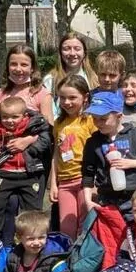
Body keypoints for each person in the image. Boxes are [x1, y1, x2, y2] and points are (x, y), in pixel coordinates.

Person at [0, 98, 52, 258]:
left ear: (24, 115)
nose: (9, 121)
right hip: (5, 173)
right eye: (5, 117)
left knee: (32, 209)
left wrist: (30, 146)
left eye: (14, 117)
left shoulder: (34, 126)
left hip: (28, 173)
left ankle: (35, 237)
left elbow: (46, 142)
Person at [81, 91, 136, 215]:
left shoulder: (135, 133)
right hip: (106, 199)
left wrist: (130, 163)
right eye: (94, 119)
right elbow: (87, 174)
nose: (98, 123)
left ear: (119, 116)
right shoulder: (93, 141)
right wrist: (87, 200)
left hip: (135, 198)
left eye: (103, 119)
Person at [49, 75, 96, 238]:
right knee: (66, 228)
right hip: (65, 182)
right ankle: (68, 253)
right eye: (62, 98)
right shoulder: (59, 123)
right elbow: (56, 153)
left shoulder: (91, 120)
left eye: (72, 98)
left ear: (85, 97)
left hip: (85, 180)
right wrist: (53, 184)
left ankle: (82, 254)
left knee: (85, 226)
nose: (67, 102)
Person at [0, 44, 54, 125]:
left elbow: (48, 127)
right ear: (7, 67)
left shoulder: (42, 94)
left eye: (24, 65)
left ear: (32, 68)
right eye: (13, 64)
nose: (18, 69)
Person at [45, 32, 98, 119]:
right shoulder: (50, 80)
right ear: (60, 53)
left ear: (84, 52)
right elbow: (49, 114)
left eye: (77, 49)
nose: (72, 53)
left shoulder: (95, 80)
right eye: (67, 49)